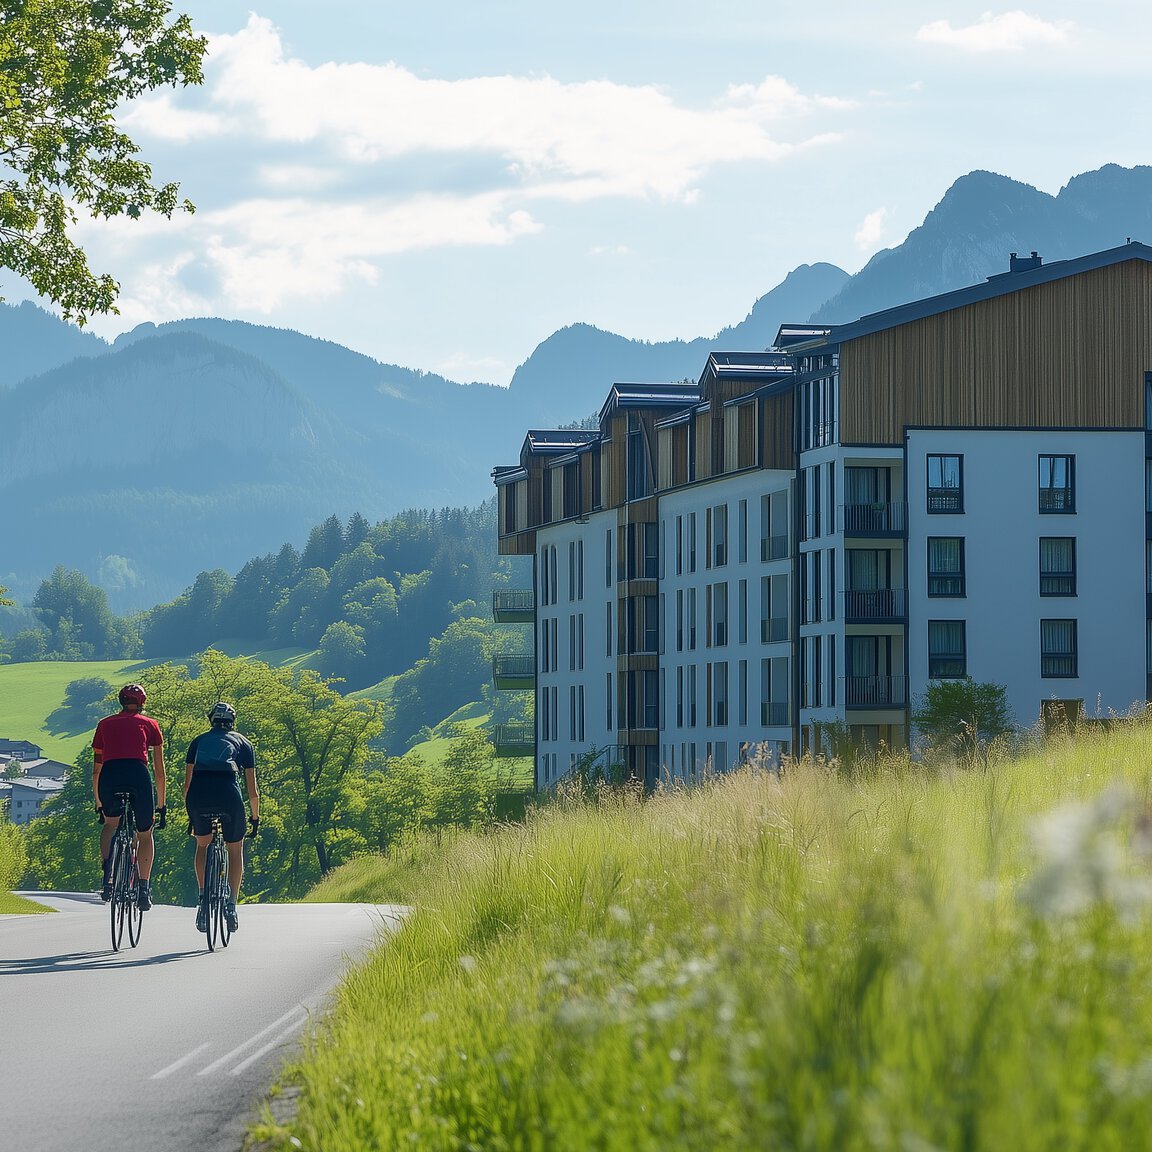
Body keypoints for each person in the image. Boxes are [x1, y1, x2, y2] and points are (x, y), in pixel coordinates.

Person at [183, 701, 259, 933]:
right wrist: (255, 818)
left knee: (203, 844)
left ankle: (203, 899)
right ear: (232, 722)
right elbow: (252, 791)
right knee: (235, 849)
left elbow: (187, 786)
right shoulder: (243, 743)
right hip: (228, 796)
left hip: (199, 795)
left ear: (211, 721)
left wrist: (191, 814)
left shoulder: (198, 741)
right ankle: (232, 905)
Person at [92, 683, 167, 911]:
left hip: (110, 775)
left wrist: (99, 803)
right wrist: (161, 805)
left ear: (120, 701)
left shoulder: (104, 725)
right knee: (145, 833)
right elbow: (159, 771)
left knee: (110, 824)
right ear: (142, 703)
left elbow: (96, 770)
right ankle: (143, 888)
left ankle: (108, 875)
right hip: (138, 775)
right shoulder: (150, 724)